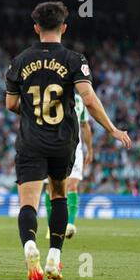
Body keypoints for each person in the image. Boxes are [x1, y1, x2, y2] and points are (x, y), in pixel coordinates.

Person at [5, 1, 131, 280]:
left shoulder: (20, 60)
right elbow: (88, 98)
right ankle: (55, 257)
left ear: (36, 27)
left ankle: (29, 245)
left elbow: (11, 103)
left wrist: (30, 110)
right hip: (63, 142)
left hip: (30, 141)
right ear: (64, 27)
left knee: (28, 202)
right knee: (59, 195)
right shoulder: (75, 60)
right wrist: (111, 129)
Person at [44, 93, 93, 239]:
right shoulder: (48, 95)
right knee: (51, 187)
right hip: (52, 146)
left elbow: (84, 125)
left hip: (74, 148)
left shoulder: (79, 100)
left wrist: (89, 149)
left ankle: (70, 224)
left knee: (72, 185)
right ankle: (51, 226)